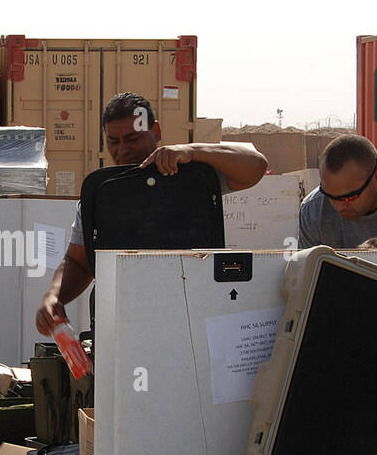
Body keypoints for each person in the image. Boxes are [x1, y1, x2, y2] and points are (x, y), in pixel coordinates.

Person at [35, 92, 268, 335]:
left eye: (132, 138)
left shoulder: (191, 179)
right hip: (123, 324)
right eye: (114, 141)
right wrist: (53, 297)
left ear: (156, 132)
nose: (123, 149)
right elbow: (79, 262)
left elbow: (256, 165)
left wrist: (190, 151)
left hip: (193, 317)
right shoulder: (101, 196)